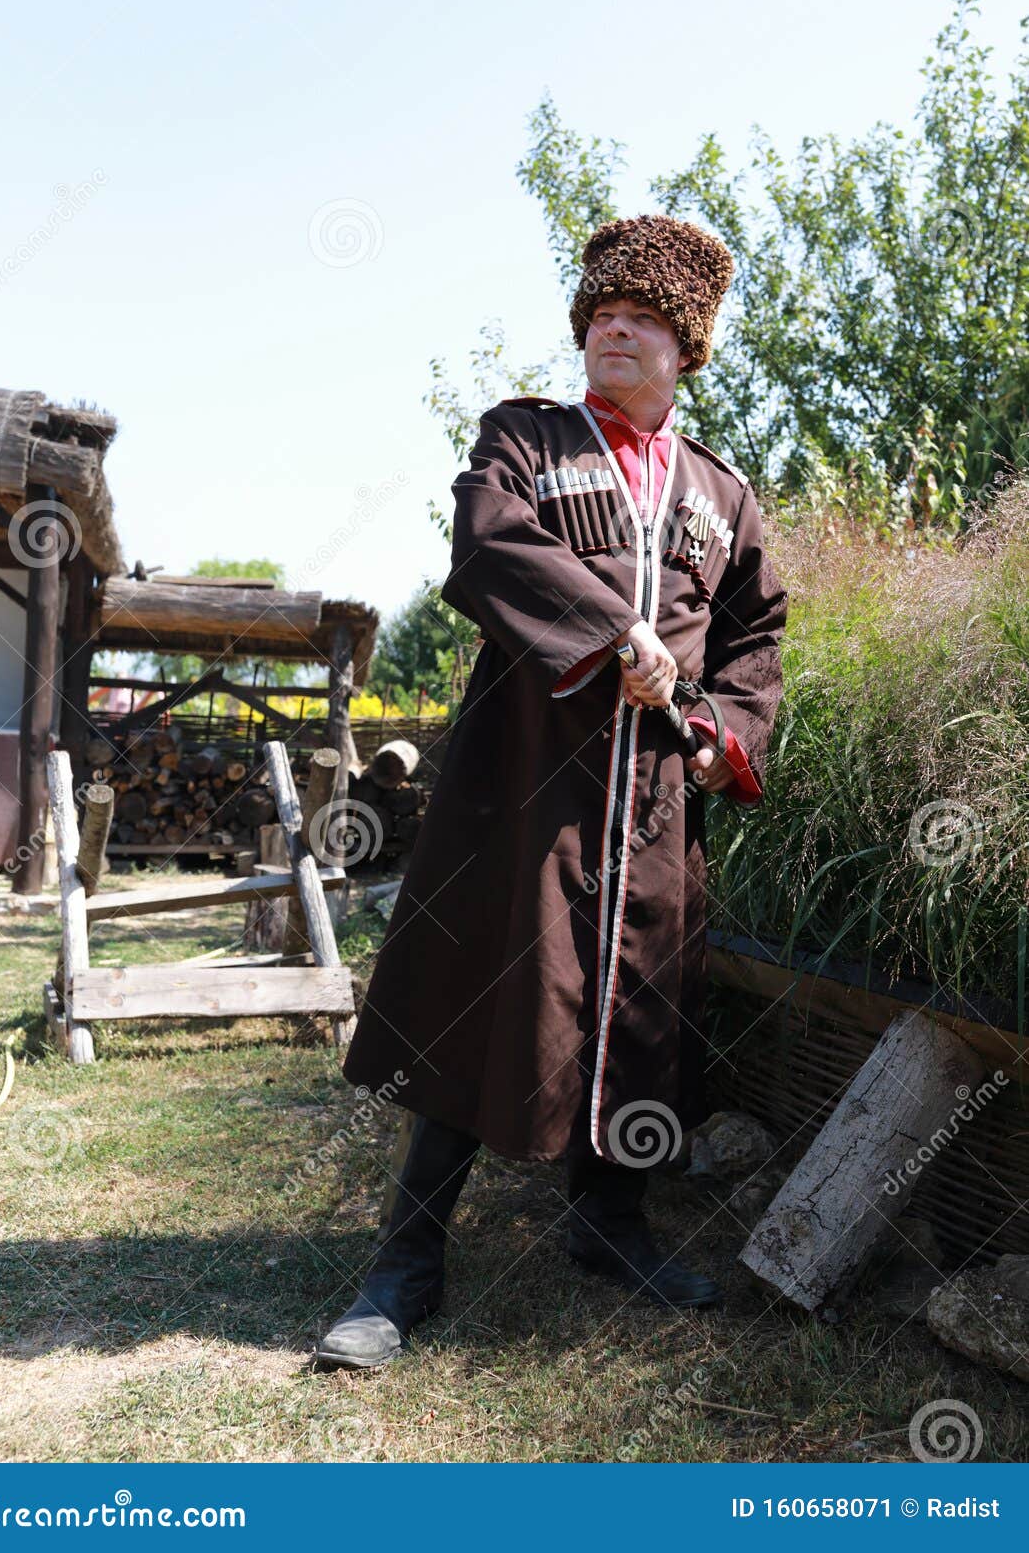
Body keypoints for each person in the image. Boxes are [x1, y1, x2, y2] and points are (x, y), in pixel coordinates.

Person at [316, 213, 788, 1370]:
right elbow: (483, 548)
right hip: (522, 788)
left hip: (652, 805)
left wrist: (715, 731)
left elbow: (753, 639)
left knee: (640, 1008)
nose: (612, 332)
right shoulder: (526, 439)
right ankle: (403, 1264)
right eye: (599, 317)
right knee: (484, 988)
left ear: (686, 348)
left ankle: (608, 1226)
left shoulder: (724, 497)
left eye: (640, 321)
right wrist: (615, 627)